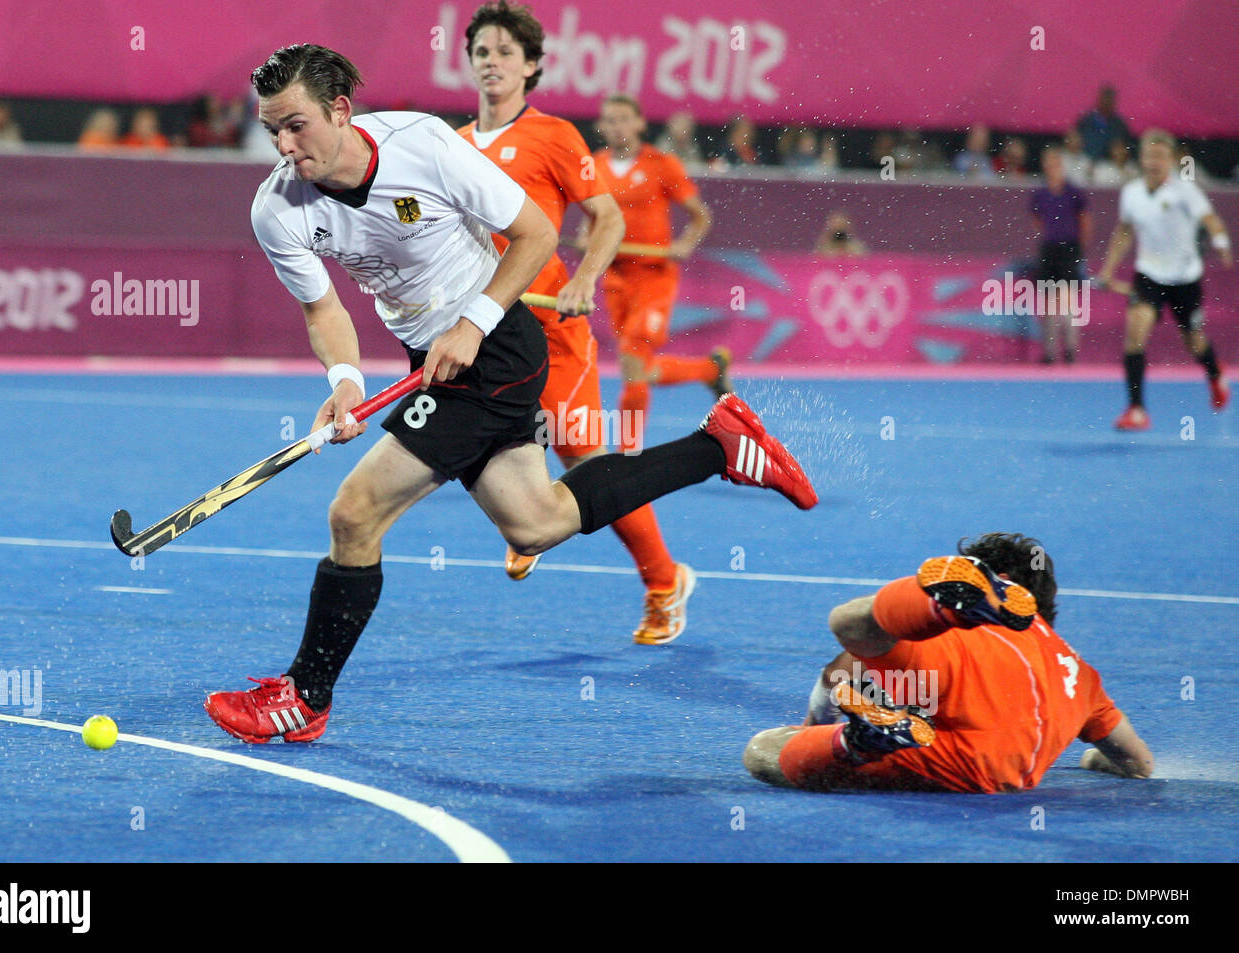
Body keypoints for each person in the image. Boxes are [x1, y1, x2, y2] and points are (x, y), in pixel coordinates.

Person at [202, 44, 818, 744]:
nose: (282, 146)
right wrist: (345, 383)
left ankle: (305, 695)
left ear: (341, 111)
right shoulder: (276, 207)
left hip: (494, 344)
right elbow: (325, 312)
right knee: (536, 522)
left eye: (296, 125)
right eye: (271, 129)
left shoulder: (424, 144)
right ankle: (719, 446)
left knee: (355, 512)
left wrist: (472, 322)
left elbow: (535, 233)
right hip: (431, 354)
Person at [455, 2, 695, 645]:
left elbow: (608, 219)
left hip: (553, 330)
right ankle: (529, 518)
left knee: (585, 459)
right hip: (484, 330)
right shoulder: (448, 145)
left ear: (532, 65)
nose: (492, 61)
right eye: (482, 51)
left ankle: (664, 582)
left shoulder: (556, 136)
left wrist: (586, 277)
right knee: (469, 446)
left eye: (507, 51)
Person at [743, 534, 1154, 793]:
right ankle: (861, 736)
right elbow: (1138, 763)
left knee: (764, 749)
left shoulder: (969, 638)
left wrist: (812, 728)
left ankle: (852, 741)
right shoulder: (1081, 675)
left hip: (952, 761)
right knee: (890, 668)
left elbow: (850, 645)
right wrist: (1094, 760)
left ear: (999, 580)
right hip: (1012, 776)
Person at [593, 93, 725, 455]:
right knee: (638, 370)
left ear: (639, 123)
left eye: (623, 118)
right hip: (615, 279)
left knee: (634, 359)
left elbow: (701, 216)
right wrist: (591, 243)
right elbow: (596, 221)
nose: (617, 126)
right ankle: (709, 371)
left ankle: (626, 454)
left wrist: (685, 244)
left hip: (653, 277)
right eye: (609, 120)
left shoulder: (662, 164)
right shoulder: (593, 167)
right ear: (601, 127)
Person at [1095, 129, 1232, 430]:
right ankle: (1137, 410)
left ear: (1170, 159)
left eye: (1160, 156)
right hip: (1149, 276)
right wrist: (1108, 269)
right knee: (1135, 332)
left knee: (1194, 342)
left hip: (1185, 280)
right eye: (1149, 155)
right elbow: (1124, 232)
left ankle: (1215, 375)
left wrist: (1221, 244)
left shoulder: (1186, 190)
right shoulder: (1131, 193)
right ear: (1142, 158)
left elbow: (1211, 220)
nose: (1155, 162)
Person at [1030, 144, 1092, 364]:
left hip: (1069, 249)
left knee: (1066, 299)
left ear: (1062, 166)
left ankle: (1070, 350)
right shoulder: (1040, 194)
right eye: (1049, 165)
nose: (1053, 169)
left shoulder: (1074, 193)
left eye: (1056, 164)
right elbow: (1038, 220)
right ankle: (1049, 352)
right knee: (1048, 301)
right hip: (1049, 249)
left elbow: (1084, 221)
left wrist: (1079, 247)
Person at [1077, 85, 1132, 162]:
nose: (1106, 102)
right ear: (1098, 99)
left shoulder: (1120, 125)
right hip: (1085, 162)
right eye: (1104, 99)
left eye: (1109, 100)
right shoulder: (1086, 120)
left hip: (1110, 165)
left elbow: (1124, 147)